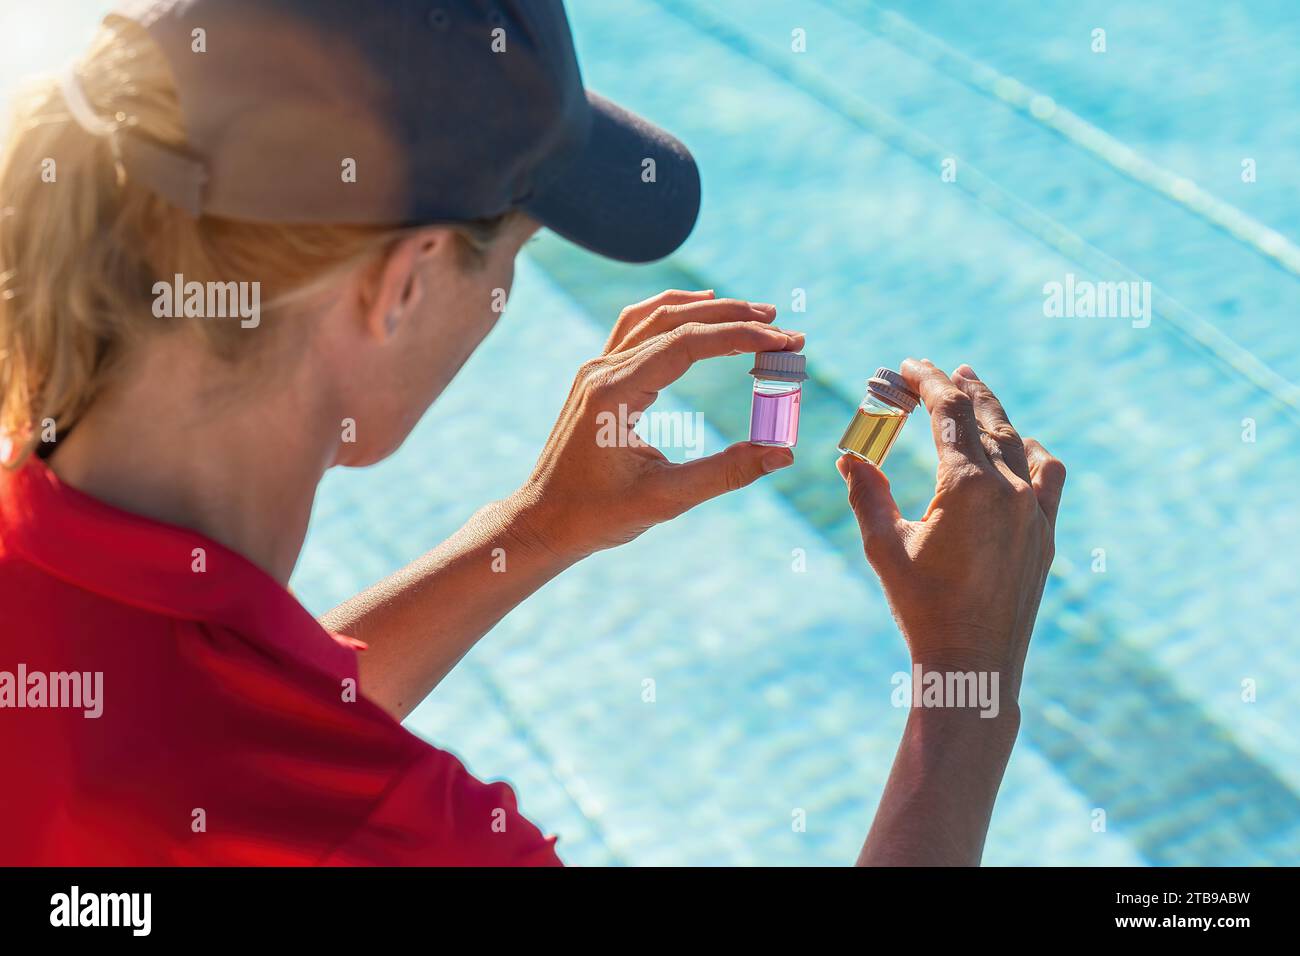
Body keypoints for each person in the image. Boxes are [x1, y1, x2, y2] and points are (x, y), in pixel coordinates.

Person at [0, 1, 1064, 866]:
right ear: (403, 284)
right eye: (509, 256)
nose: (501, 295)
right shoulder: (397, 838)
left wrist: (537, 528)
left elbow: (196, 731)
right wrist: (965, 691)